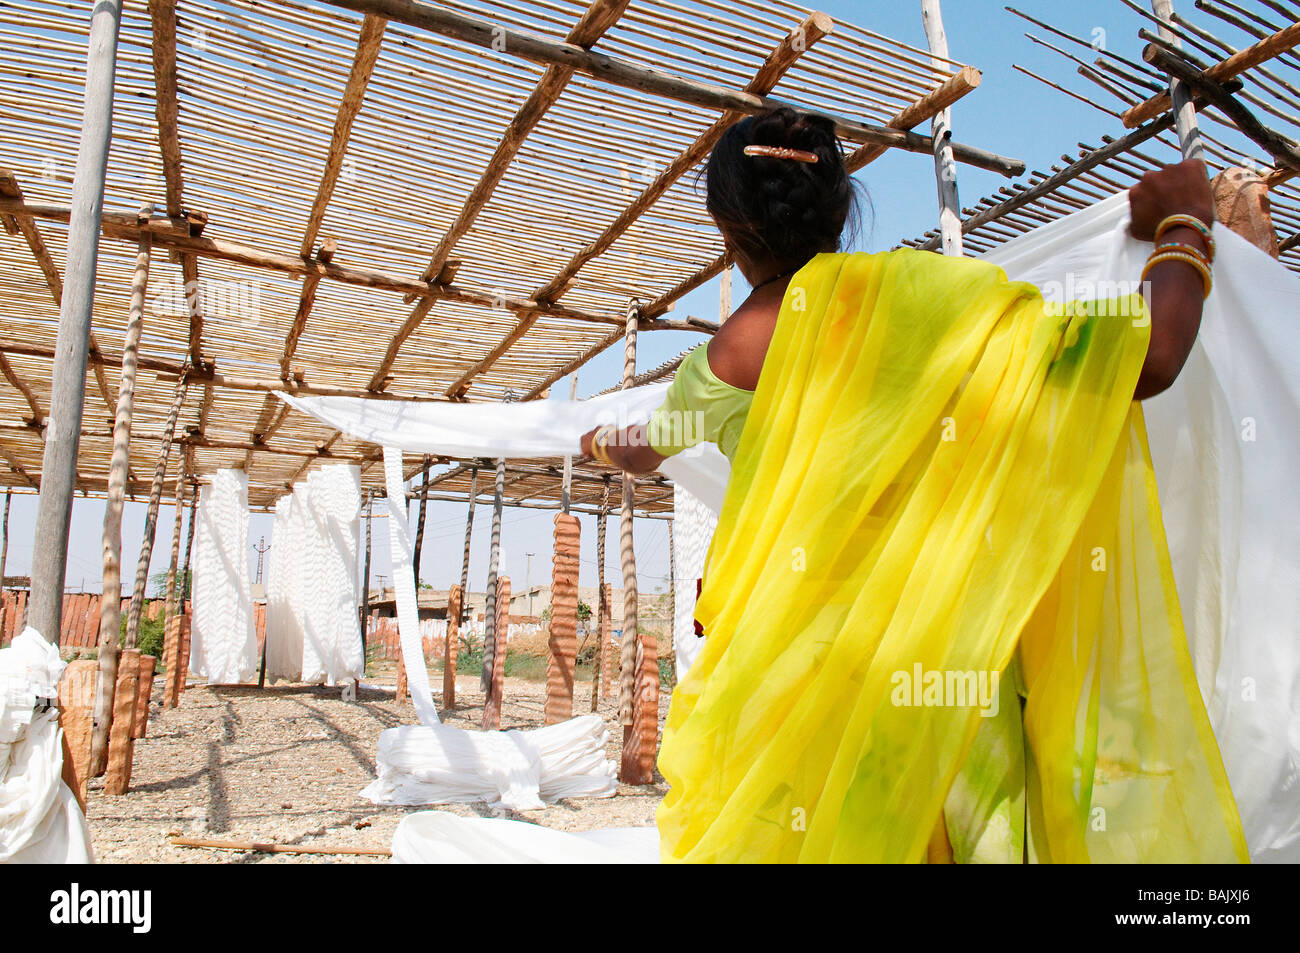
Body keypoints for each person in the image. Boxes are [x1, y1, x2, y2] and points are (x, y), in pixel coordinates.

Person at [580, 108, 1245, 863]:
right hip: (943, 677)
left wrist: (599, 441)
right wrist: (1185, 224)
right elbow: (1151, 356)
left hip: (795, 680)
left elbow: (647, 448)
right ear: (839, 212)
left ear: (727, 232)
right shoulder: (940, 311)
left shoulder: (730, 355)